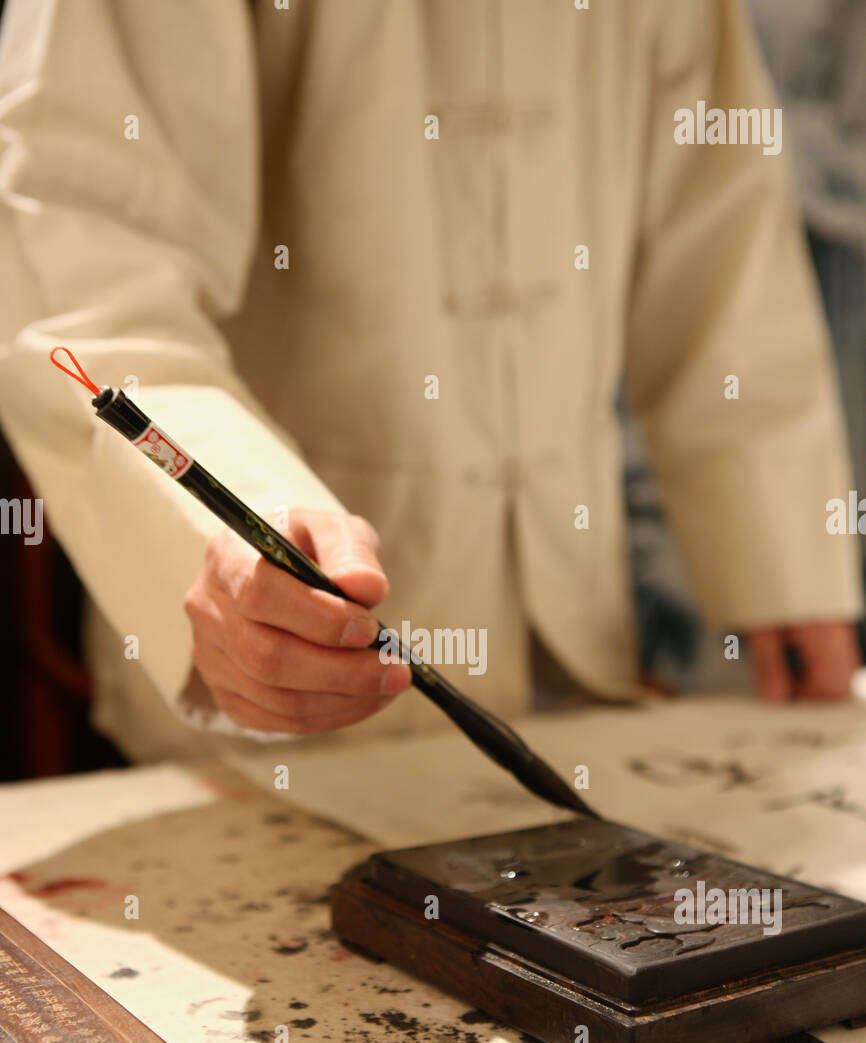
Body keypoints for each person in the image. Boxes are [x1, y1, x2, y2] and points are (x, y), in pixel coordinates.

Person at [0, 0, 861, 767]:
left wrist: (779, 559)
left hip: (580, 649)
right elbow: (84, 261)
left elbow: (718, 221)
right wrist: (233, 539)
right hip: (262, 700)